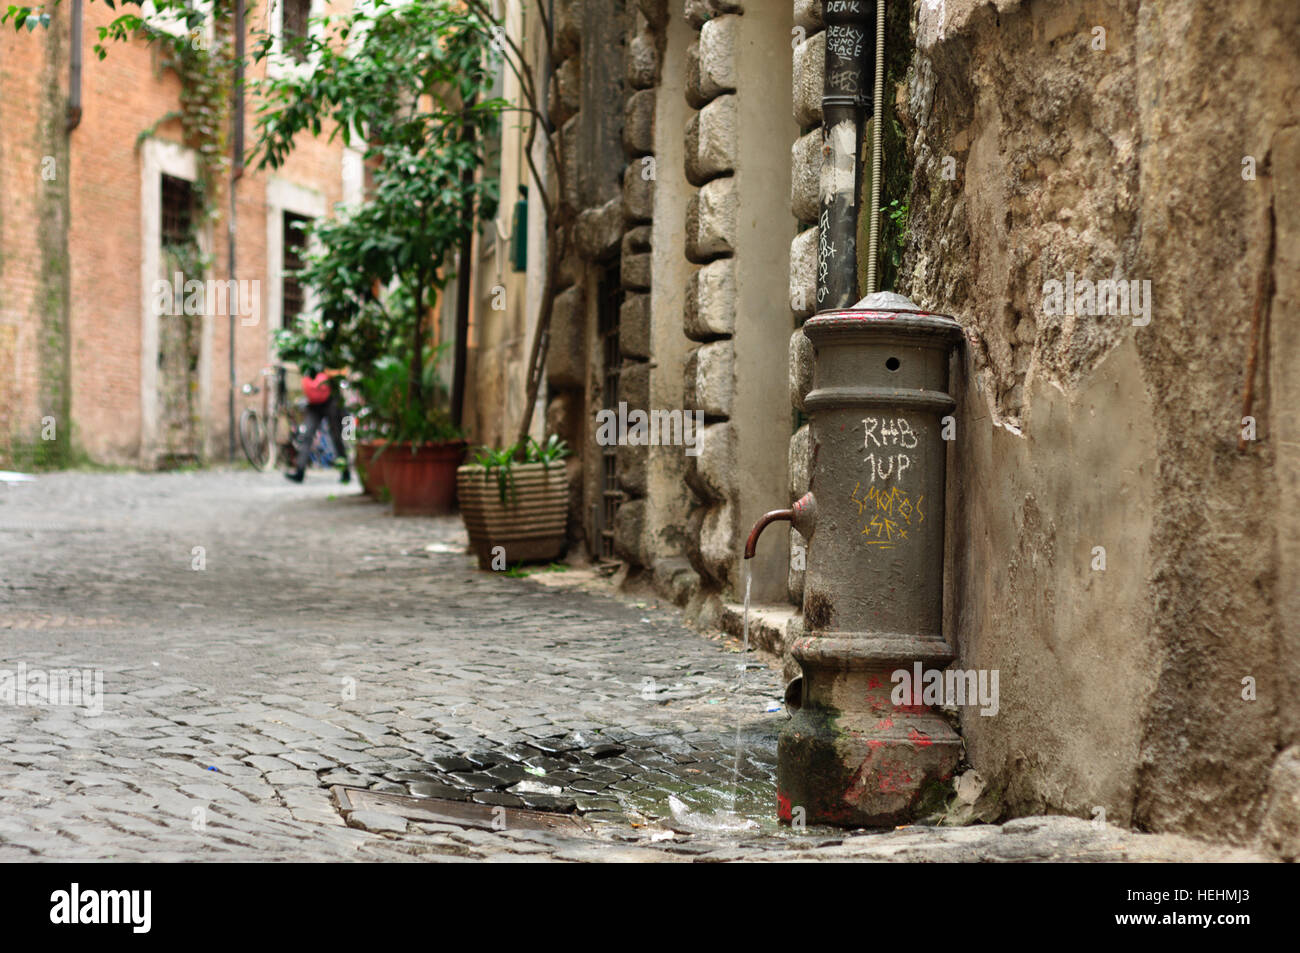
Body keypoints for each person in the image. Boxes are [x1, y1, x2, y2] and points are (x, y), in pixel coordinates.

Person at [285, 366, 350, 484]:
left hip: (331, 401)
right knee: (307, 435)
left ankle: (345, 471)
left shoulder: (331, 355)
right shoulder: (309, 359)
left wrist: (329, 372)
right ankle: (300, 470)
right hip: (314, 404)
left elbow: (344, 371)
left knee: (336, 437)